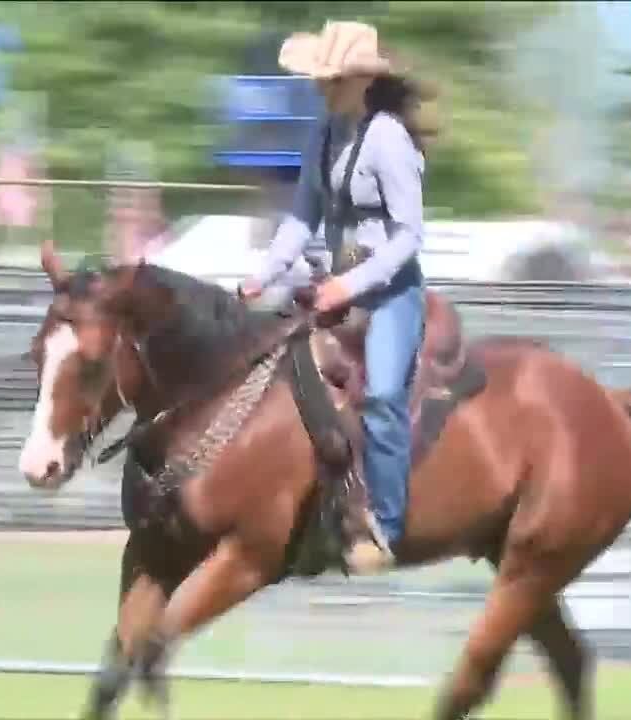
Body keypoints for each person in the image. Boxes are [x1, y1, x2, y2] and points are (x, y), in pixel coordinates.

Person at [238, 20, 436, 574]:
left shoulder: (390, 139)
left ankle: (387, 529)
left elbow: (409, 238)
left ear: (363, 81)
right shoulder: (323, 133)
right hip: (332, 288)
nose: (323, 87)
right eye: (321, 78)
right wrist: (267, 273)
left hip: (389, 291)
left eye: (334, 79)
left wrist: (350, 283)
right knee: (275, 377)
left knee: (384, 397)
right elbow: (302, 215)